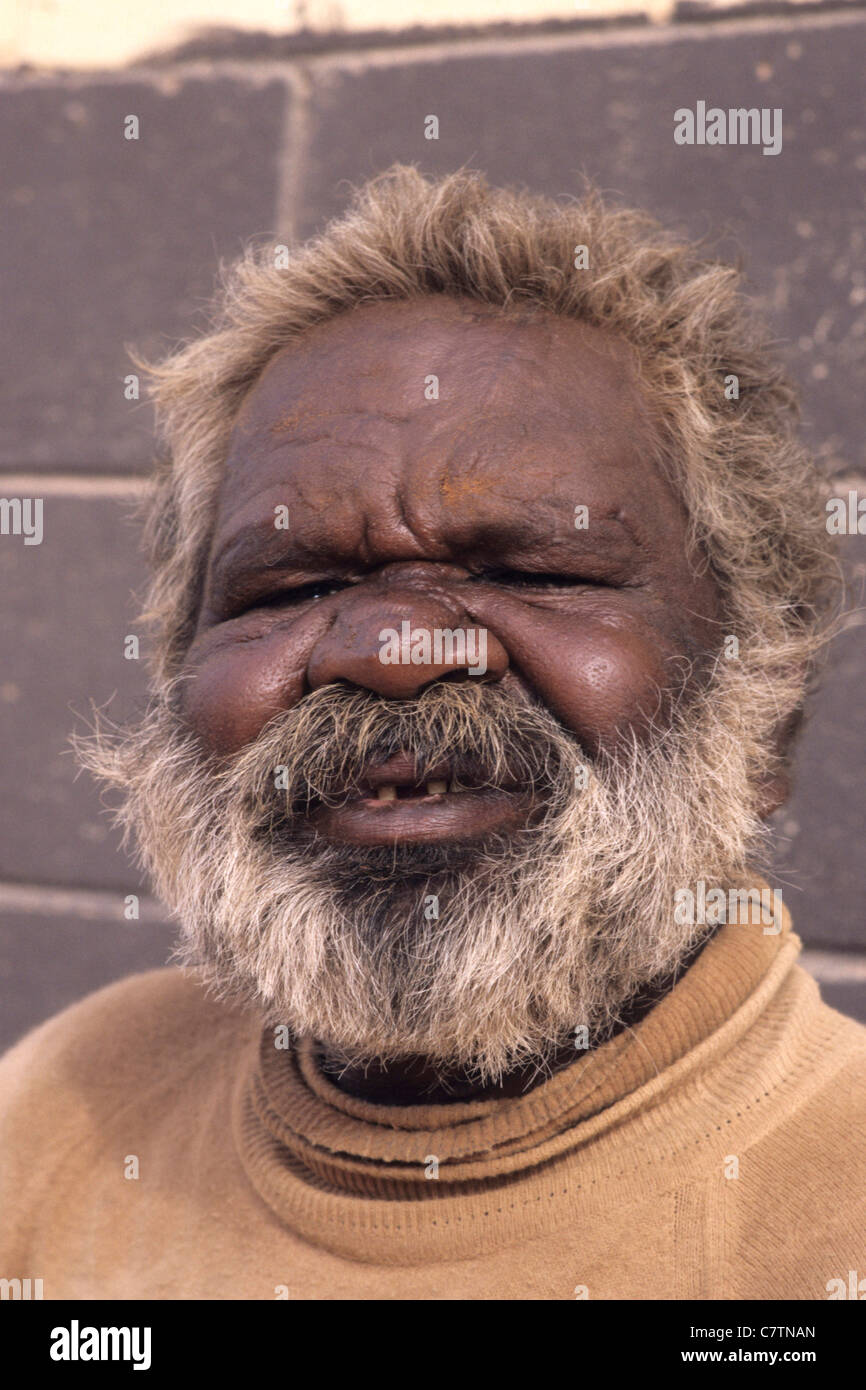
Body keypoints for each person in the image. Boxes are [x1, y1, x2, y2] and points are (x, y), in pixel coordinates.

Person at [1, 165, 863, 1300]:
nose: (391, 647)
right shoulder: (66, 1099)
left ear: (763, 704)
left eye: (530, 570)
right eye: (288, 587)